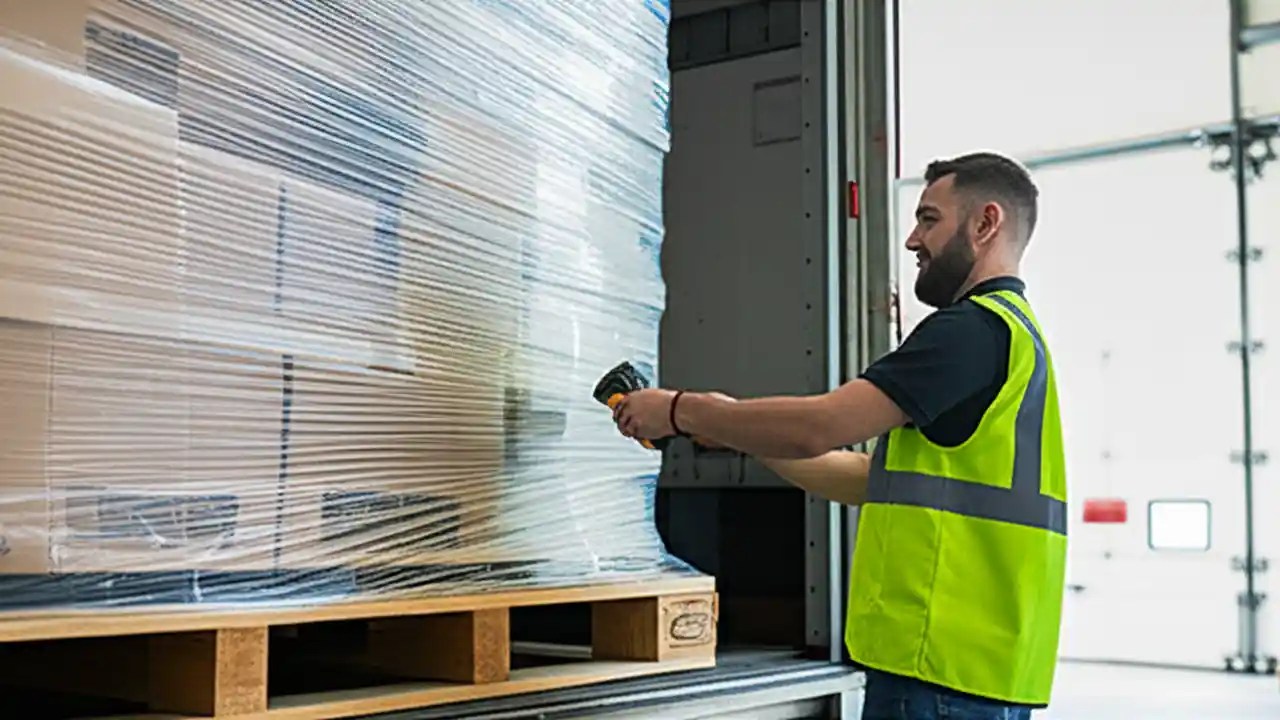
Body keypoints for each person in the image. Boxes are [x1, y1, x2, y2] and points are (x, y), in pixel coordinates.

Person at [611, 151, 1067, 720]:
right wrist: (736, 427)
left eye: (928, 219)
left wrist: (682, 412)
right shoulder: (1017, 338)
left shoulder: (969, 333)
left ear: (985, 223)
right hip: (975, 670)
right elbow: (866, 479)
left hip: (937, 673)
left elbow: (819, 426)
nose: (913, 240)